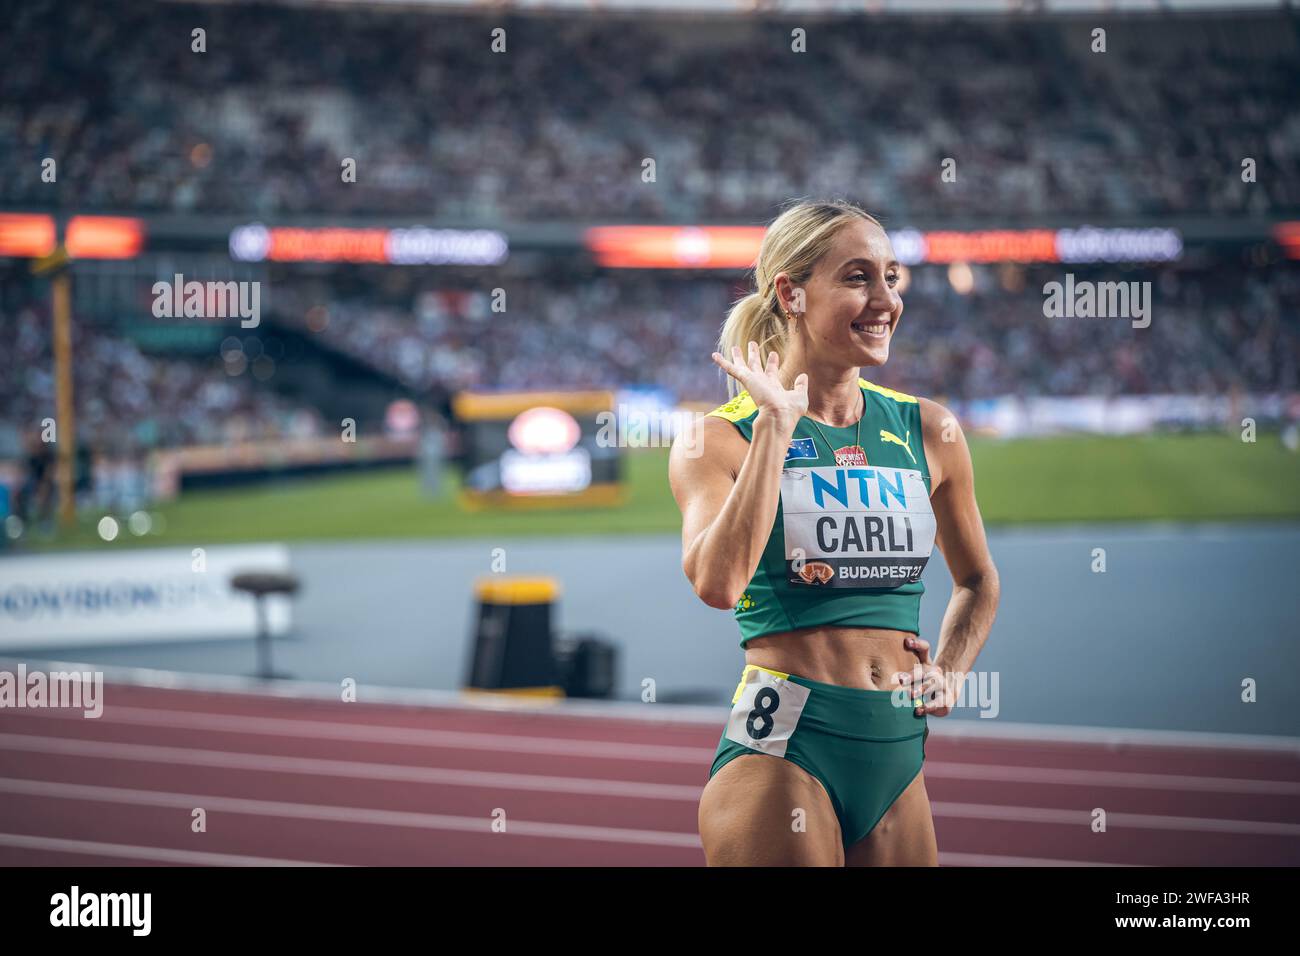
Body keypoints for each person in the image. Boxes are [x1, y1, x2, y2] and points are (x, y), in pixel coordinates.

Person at [669, 199, 1000, 866]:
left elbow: (976, 579)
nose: (885, 301)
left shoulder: (930, 429)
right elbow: (716, 583)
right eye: (857, 277)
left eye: (892, 277)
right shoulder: (717, 438)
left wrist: (952, 669)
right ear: (790, 292)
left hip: (898, 756)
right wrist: (776, 428)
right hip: (785, 747)